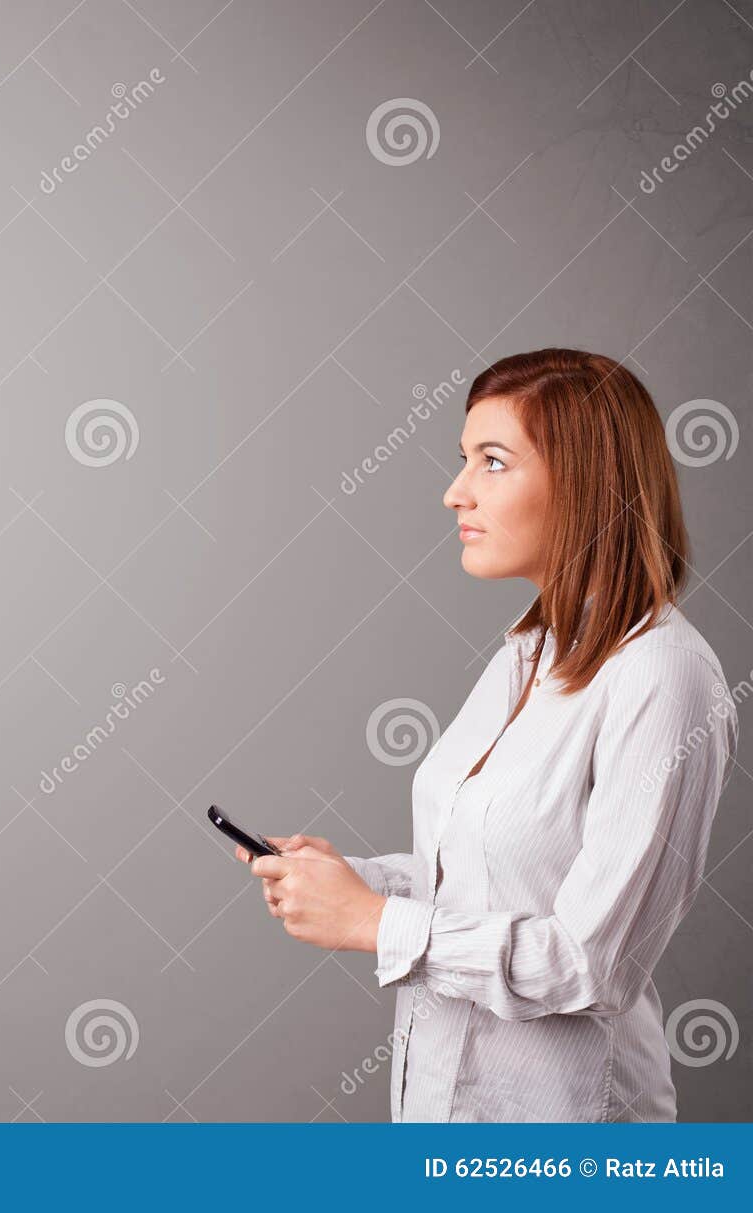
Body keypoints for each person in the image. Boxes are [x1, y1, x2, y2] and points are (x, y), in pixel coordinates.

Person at [233, 348, 738, 1121]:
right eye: (464, 460)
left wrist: (373, 921)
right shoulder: (527, 656)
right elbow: (495, 873)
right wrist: (360, 879)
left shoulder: (663, 675)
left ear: (587, 482)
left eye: (492, 462)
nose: (455, 491)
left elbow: (592, 964)